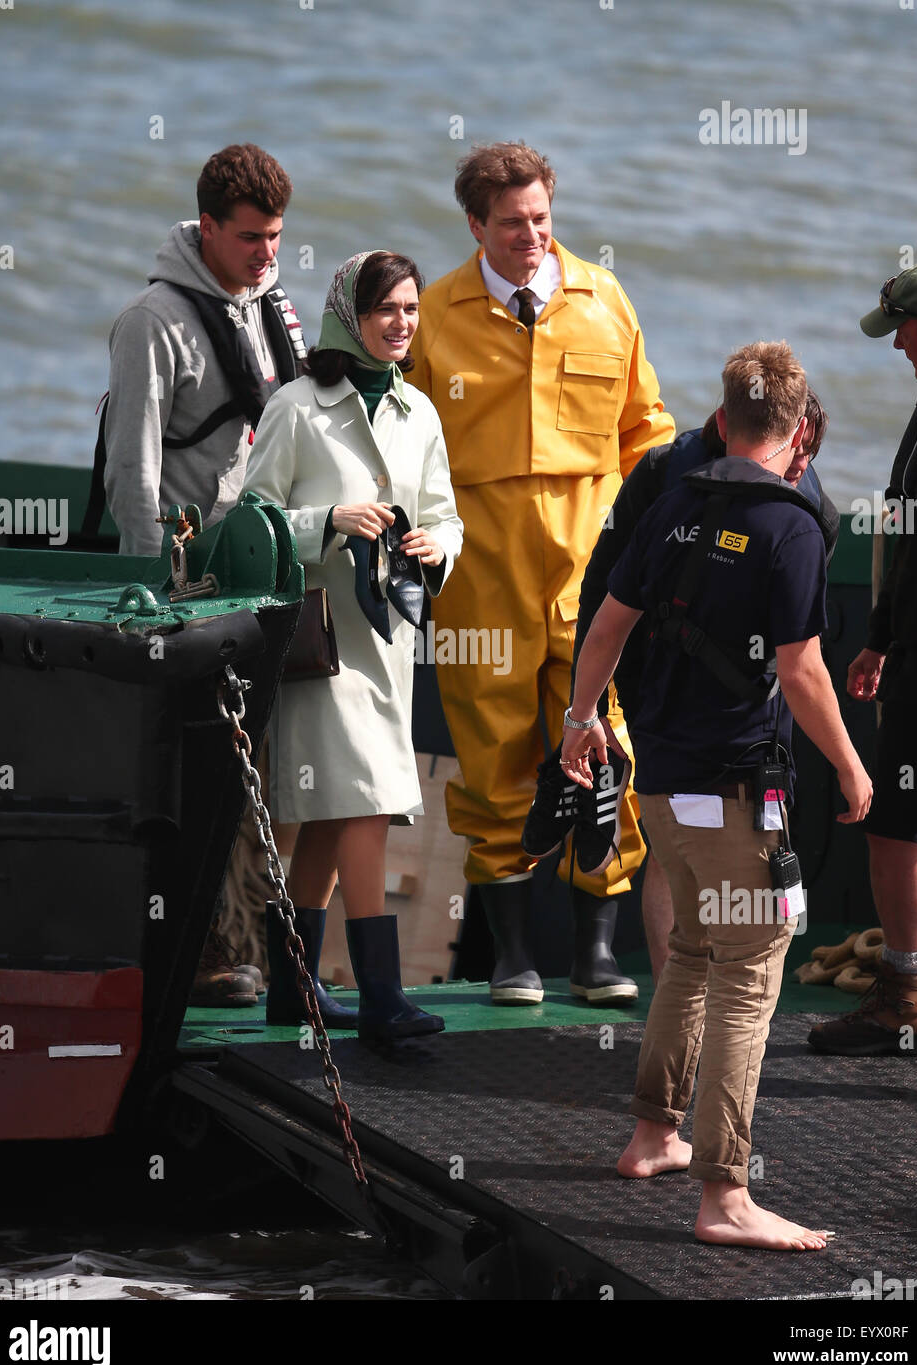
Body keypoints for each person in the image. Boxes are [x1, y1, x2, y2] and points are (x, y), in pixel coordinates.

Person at [563, 341, 871, 1250]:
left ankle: (652, 1134)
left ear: (721, 421)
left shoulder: (669, 504)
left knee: (695, 950)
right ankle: (725, 1195)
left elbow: (607, 622)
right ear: (801, 431)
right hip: (735, 790)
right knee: (751, 972)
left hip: (659, 781)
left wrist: (582, 721)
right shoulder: (794, 528)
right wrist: (853, 770)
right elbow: (803, 671)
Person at [408, 141, 675, 1006]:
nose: (531, 236)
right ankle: (512, 958)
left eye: (541, 220)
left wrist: (657, 541)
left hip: (591, 579)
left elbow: (648, 431)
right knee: (492, 767)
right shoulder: (437, 315)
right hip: (477, 581)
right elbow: (401, 442)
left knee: (607, 754)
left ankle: (596, 956)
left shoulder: (605, 301)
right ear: (476, 224)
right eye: (512, 223)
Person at [243, 251, 463, 1041]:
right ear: (349, 316)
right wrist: (328, 523)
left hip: (388, 641)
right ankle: (379, 993)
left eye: (410, 309)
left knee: (337, 818)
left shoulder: (421, 412)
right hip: (320, 646)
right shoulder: (296, 407)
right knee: (367, 803)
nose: (402, 323)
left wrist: (439, 544)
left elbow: (444, 513)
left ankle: (291, 990)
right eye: (386, 310)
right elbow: (247, 522)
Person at [568, 388, 839, 980]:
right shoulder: (672, 475)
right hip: (687, 708)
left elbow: (801, 653)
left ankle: (685, 994)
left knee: (690, 851)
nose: (799, 469)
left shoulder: (807, 508)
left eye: (809, 458)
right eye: (798, 453)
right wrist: (588, 709)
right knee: (682, 859)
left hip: (722, 717)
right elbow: (602, 596)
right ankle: (692, 993)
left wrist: (584, 711)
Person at [808, 257, 917, 1058]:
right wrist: (880, 638)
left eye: (903, 334)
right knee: (893, 825)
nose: (896, 348)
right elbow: (906, 532)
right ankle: (905, 991)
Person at [98, 143, 305, 557]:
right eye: (250, 237)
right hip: (181, 575)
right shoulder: (150, 322)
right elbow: (131, 471)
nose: (266, 253)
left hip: (255, 560)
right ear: (208, 226)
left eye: (275, 235)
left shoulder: (267, 303)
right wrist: (152, 585)